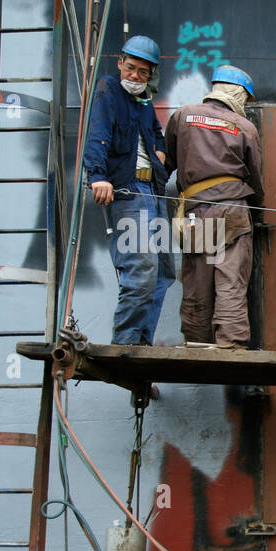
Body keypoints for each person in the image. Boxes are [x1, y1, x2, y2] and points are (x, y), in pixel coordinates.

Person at [83, 35, 174, 345]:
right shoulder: (109, 90)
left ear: (151, 74)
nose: (135, 76)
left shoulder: (144, 101)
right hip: (129, 192)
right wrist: (97, 176)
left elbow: (157, 138)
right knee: (141, 265)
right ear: (120, 63)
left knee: (163, 272)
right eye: (131, 68)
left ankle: (142, 346)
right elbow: (97, 135)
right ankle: (125, 343)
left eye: (143, 72)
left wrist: (159, 158)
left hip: (153, 191)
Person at [164, 65, 264, 349]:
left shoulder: (182, 115)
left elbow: (167, 162)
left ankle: (197, 344)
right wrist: (259, 208)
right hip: (233, 210)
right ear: (240, 93)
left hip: (196, 212)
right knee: (231, 281)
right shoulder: (245, 127)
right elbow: (254, 176)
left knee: (197, 278)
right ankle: (230, 344)